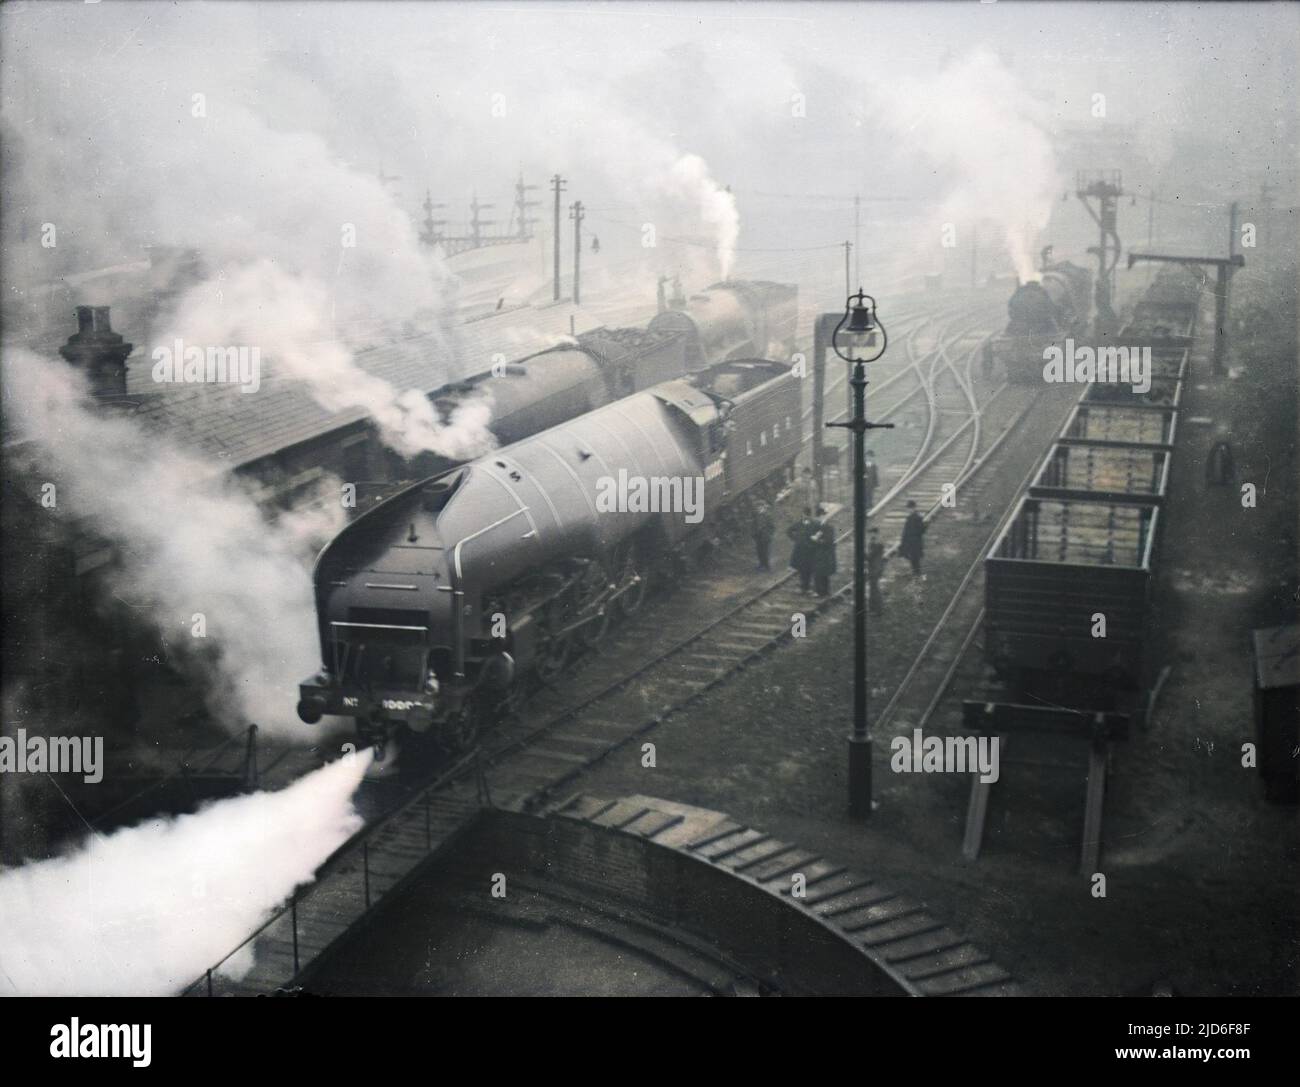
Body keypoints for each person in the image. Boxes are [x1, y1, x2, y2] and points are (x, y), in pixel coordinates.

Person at [787, 507, 818, 593]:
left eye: (807, 515)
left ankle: (807, 586)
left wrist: (815, 541)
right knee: (802, 568)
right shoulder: (798, 524)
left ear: (809, 515)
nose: (805, 516)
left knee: (809, 568)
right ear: (802, 515)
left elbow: (819, 533)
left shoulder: (814, 524)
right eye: (804, 514)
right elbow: (789, 531)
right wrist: (795, 538)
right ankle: (803, 587)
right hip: (800, 550)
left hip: (810, 550)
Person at [812, 507, 837, 597]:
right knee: (820, 572)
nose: (819, 518)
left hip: (825, 553)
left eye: (820, 516)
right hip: (819, 553)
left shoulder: (828, 527)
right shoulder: (819, 526)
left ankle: (821, 592)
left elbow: (828, 541)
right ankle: (823, 591)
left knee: (821, 573)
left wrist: (816, 540)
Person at [899, 499, 926, 578]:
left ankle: (917, 574)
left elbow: (921, 530)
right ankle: (915, 573)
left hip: (915, 542)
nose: (909, 510)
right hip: (911, 542)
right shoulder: (911, 517)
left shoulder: (917, 517)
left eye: (910, 508)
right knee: (912, 558)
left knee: (915, 558)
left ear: (914, 508)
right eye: (908, 508)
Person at [867, 527, 886, 615]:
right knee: (873, 588)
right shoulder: (875, 542)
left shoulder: (876, 543)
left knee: (874, 589)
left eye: (872, 533)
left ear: (875, 533)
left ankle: (878, 610)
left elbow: (870, 556)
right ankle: (873, 608)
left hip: (875, 568)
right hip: (875, 567)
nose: (870, 535)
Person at [751, 500, 775, 572]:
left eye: (760, 507)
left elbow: (772, 527)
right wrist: (753, 534)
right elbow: (753, 526)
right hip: (758, 537)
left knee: (765, 552)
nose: (759, 509)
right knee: (759, 551)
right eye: (758, 507)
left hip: (765, 537)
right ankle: (761, 564)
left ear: (763, 507)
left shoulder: (768, 515)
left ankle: (767, 566)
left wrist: (769, 534)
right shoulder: (756, 516)